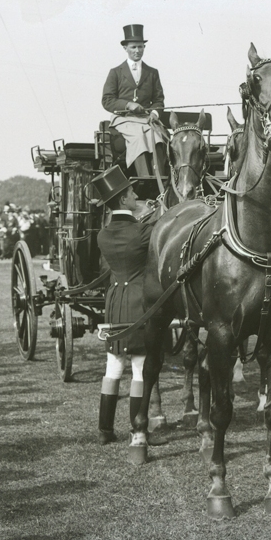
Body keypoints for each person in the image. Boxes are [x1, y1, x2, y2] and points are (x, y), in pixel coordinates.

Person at [91, 165, 167, 453]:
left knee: (113, 367)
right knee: (138, 369)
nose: (136, 195)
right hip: (137, 303)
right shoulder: (143, 232)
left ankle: (104, 429)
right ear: (123, 199)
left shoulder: (103, 235)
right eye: (132, 192)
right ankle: (139, 427)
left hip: (114, 302)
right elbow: (156, 233)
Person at [101, 24, 168, 178]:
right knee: (138, 139)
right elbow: (107, 100)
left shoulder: (152, 72)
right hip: (124, 119)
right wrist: (128, 105)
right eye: (133, 47)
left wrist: (155, 114)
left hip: (146, 120)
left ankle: (161, 181)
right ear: (125, 48)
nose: (137, 51)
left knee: (157, 139)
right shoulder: (115, 73)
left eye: (140, 47)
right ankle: (144, 180)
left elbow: (159, 99)